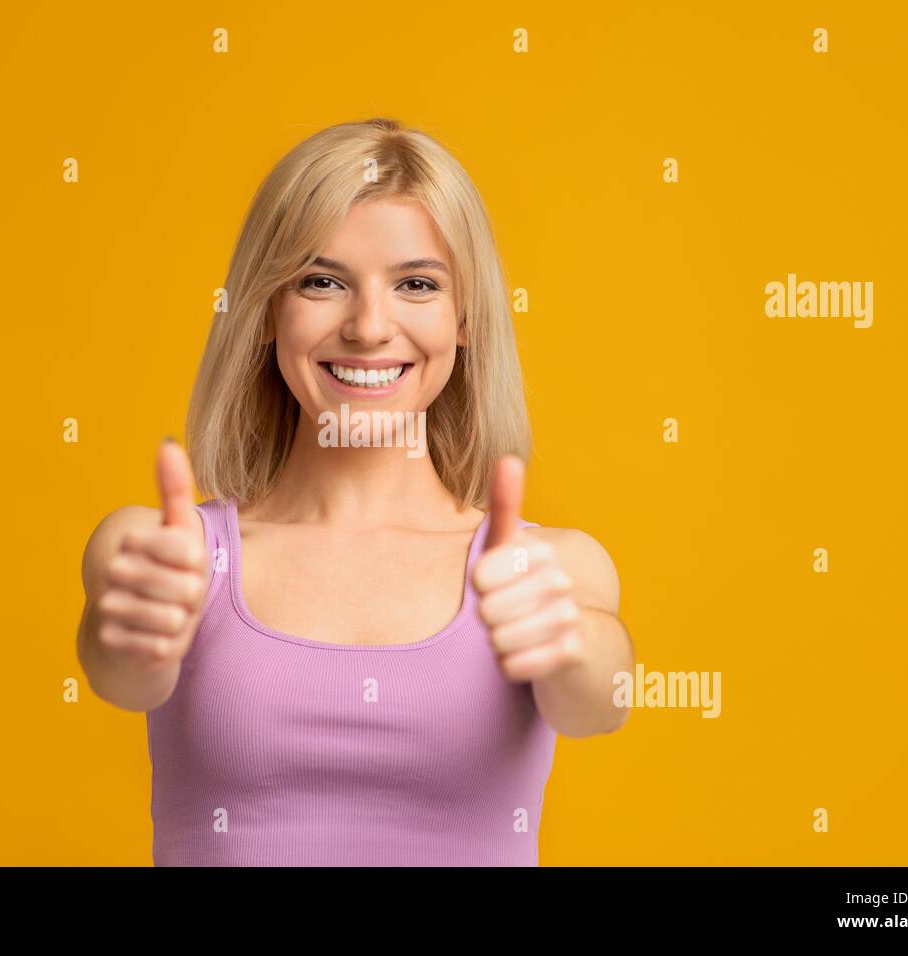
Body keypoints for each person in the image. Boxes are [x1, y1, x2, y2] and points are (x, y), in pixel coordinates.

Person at [76, 117, 634, 865]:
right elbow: (123, 675)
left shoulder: (553, 570)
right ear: (268, 309)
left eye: (416, 284)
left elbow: (601, 702)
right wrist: (134, 633)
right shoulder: (165, 554)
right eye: (322, 281)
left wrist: (567, 644)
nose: (370, 327)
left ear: (464, 318)